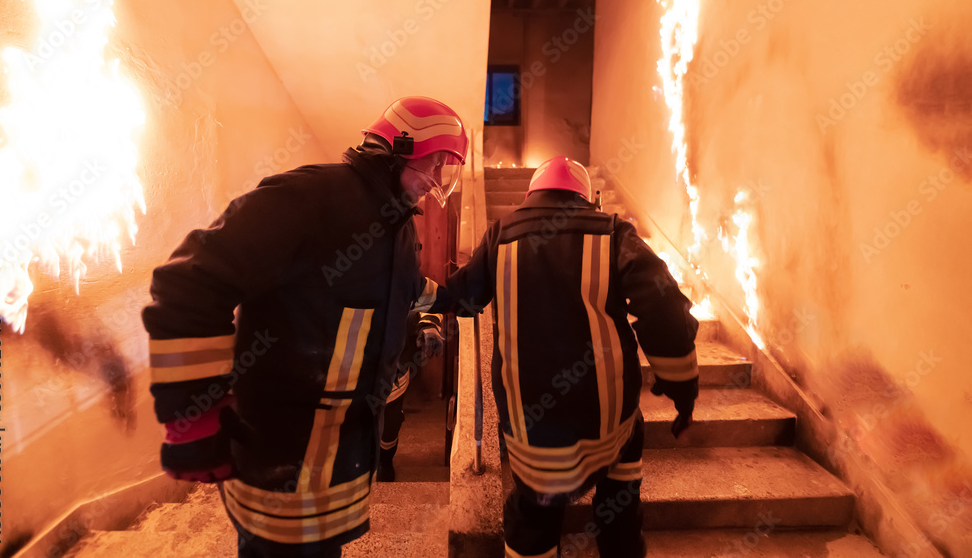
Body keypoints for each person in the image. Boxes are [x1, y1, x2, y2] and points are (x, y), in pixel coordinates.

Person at [141, 96, 468, 557]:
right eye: (434, 163)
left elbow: (409, 287)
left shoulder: (398, 225)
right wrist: (193, 417)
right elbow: (189, 284)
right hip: (281, 467)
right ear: (400, 146)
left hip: (333, 474)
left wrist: (463, 294)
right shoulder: (311, 199)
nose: (435, 181)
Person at [430, 157, 699, 558]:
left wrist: (416, 299)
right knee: (620, 505)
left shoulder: (500, 236)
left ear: (530, 196)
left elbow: (463, 297)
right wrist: (681, 389)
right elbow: (663, 305)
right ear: (585, 197)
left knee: (534, 519)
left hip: (531, 423)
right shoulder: (614, 233)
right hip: (610, 419)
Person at [376, 310, 445, 482]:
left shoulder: (399, 286)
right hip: (354, 383)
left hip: (393, 383)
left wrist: (429, 327)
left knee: (389, 428)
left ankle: (385, 462)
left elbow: (428, 304)